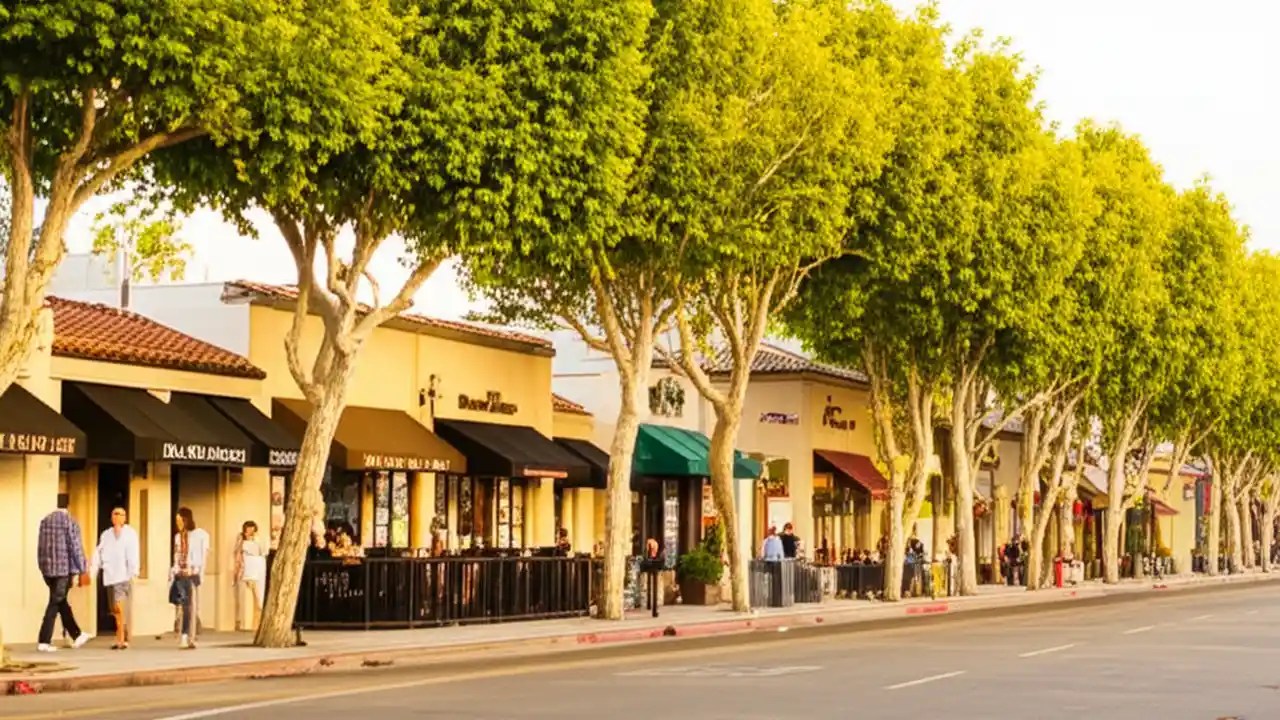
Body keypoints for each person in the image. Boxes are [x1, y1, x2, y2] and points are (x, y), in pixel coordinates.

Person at [36, 497, 93, 652]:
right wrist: (83, 569)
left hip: (47, 570)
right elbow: (75, 547)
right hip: (62, 571)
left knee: (60, 601)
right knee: (55, 603)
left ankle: (77, 634)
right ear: (68, 505)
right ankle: (44, 640)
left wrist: (42, 567)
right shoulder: (69, 521)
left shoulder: (45, 521)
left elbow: (40, 547)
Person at [88, 506, 140, 649]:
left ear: (125, 518)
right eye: (115, 514)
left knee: (119, 606)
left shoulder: (130, 534)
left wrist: (133, 572)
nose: (118, 517)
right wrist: (92, 572)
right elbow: (98, 553)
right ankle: (122, 636)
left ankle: (121, 639)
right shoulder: (106, 535)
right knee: (115, 609)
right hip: (110, 576)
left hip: (123, 576)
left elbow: (133, 553)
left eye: (121, 514)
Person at [171, 507, 209, 649]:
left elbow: (203, 556)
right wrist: (174, 571)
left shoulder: (200, 535)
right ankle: (182, 634)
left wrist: (199, 573)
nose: (178, 523)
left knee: (191, 607)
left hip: (192, 574)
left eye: (180, 520)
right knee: (181, 606)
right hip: (180, 574)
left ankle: (190, 636)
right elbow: (177, 555)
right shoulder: (178, 537)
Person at [233, 521, 266, 632]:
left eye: (252, 530)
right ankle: (241, 623)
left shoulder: (258, 540)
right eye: (248, 530)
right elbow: (238, 553)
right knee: (243, 598)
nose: (250, 532)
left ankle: (256, 624)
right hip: (244, 571)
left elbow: (262, 551)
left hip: (257, 569)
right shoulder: (241, 540)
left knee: (258, 597)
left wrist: (255, 540)